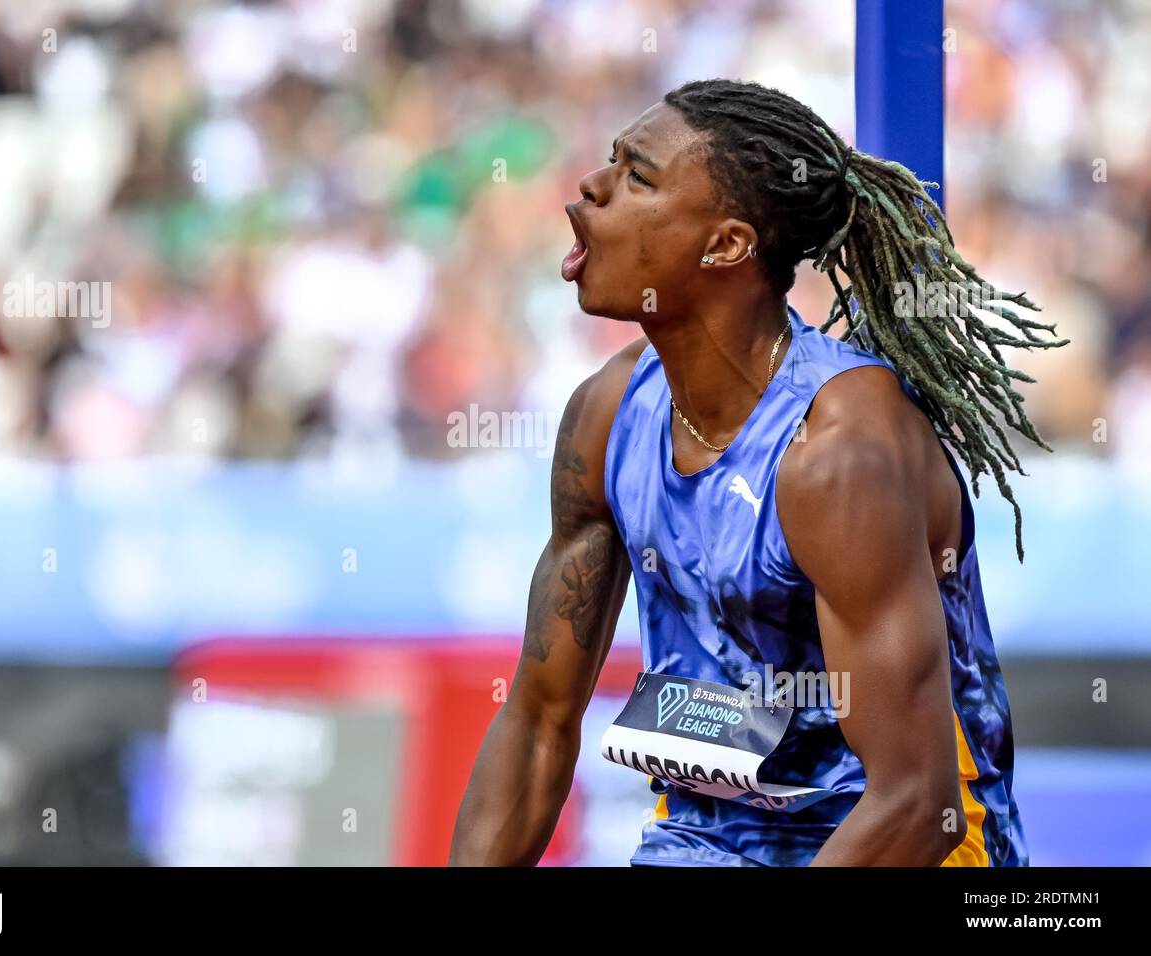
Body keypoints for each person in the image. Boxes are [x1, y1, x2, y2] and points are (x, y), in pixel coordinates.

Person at [449, 78, 1066, 867]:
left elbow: (916, 803)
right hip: (706, 841)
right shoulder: (605, 417)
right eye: (610, 162)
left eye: (638, 177)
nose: (592, 188)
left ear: (727, 245)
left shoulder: (836, 453)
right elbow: (538, 722)